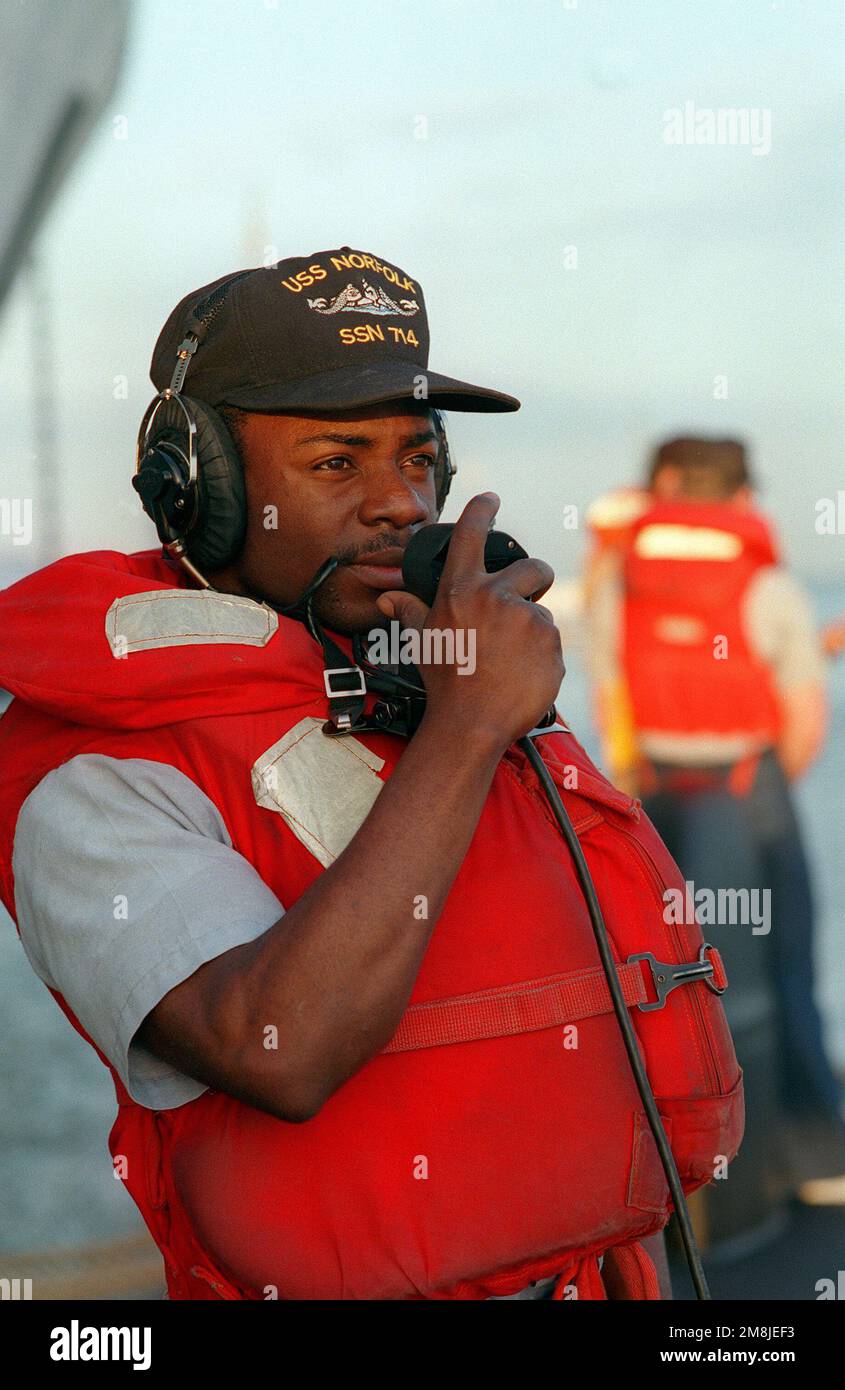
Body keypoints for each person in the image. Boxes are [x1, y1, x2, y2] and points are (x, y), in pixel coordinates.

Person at [0, 253, 743, 1300]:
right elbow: (275, 1045)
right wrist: (470, 727)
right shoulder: (96, 772)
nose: (400, 505)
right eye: (336, 463)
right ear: (195, 486)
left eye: (417, 459)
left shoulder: (423, 673)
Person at [586, 436, 845, 1203]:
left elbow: (609, 697)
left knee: (665, 966)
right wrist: (751, 789)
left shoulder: (617, 575)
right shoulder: (763, 583)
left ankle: (675, 1153)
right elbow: (803, 719)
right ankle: (813, 1154)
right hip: (745, 784)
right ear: (740, 497)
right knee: (784, 962)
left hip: (653, 789)